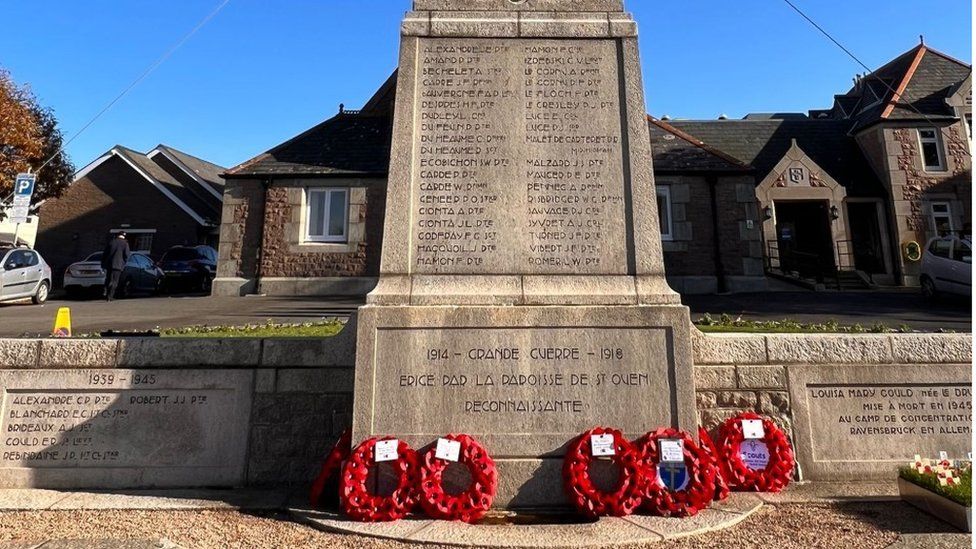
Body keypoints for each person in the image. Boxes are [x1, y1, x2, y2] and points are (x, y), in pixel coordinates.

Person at [101, 232, 131, 301]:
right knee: (115, 281)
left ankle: (105, 291)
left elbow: (105, 254)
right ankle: (110, 296)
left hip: (109, 264)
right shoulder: (125, 243)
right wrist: (123, 263)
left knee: (108, 279)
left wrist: (103, 264)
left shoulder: (111, 242)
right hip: (118, 265)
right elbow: (127, 255)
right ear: (124, 236)